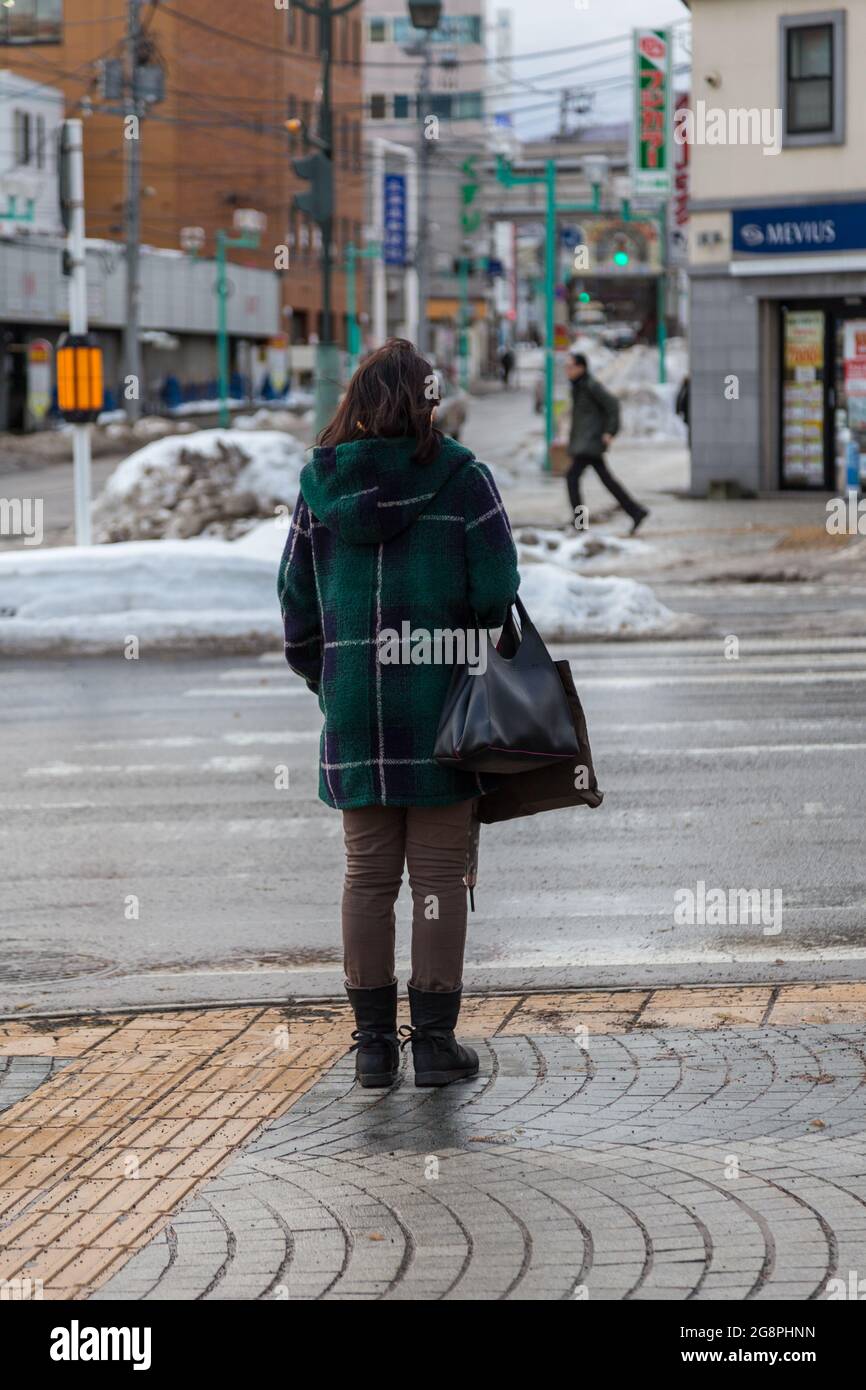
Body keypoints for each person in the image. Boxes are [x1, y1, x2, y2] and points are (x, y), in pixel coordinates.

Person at [278, 339, 519, 1090]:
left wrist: (334, 680)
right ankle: (436, 1048)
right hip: (443, 702)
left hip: (355, 707)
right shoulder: (462, 476)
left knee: (367, 877)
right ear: (426, 399)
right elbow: (497, 587)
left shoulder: (320, 485)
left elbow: (294, 606)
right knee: (441, 878)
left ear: (353, 399)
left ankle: (374, 1047)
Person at [566, 352, 648, 534]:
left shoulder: (591, 386)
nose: (567, 371)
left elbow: (613, 405)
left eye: (570, 367)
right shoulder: (579, 386)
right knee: (607, 481)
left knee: (573, 478)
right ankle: (635, 511)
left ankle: (580, 523)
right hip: (585, 443)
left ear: (581, 368)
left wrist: (610, 432)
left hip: (590, 443)